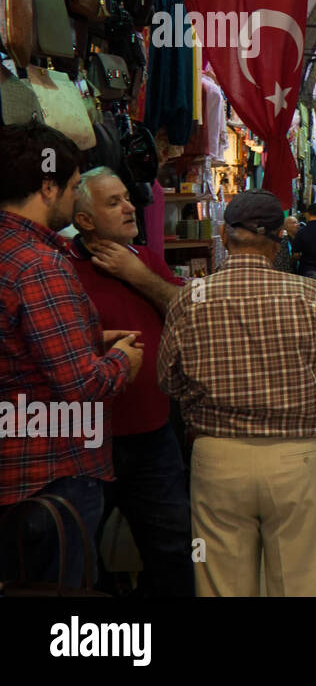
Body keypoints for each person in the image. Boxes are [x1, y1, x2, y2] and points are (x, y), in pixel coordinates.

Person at [157, 189, 316, 596]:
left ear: (223, 233)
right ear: (279, 240)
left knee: (222, 583)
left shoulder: (191, 299)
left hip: (218, 457)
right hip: (296, 456)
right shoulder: (312, 297)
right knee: (302, 580)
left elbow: (168, 378)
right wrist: (305, 401)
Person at [0, 124, 144, 588]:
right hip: (52, 472)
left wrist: (88, 337)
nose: (77, 194)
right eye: (75, 183)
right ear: (48, 186)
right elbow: (83, 387)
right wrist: (122, 359)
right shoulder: (40, 265)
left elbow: (18, 346)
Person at [65, 166, 192, 596]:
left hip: (154, 432)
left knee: (171, 544)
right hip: (85, 439)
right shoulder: (60, 267)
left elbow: (184, 310)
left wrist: (137, 276)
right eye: (113, 202)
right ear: (84, 220)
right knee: (81, 551)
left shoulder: (145, 259)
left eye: (127, 197)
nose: (130, 207)